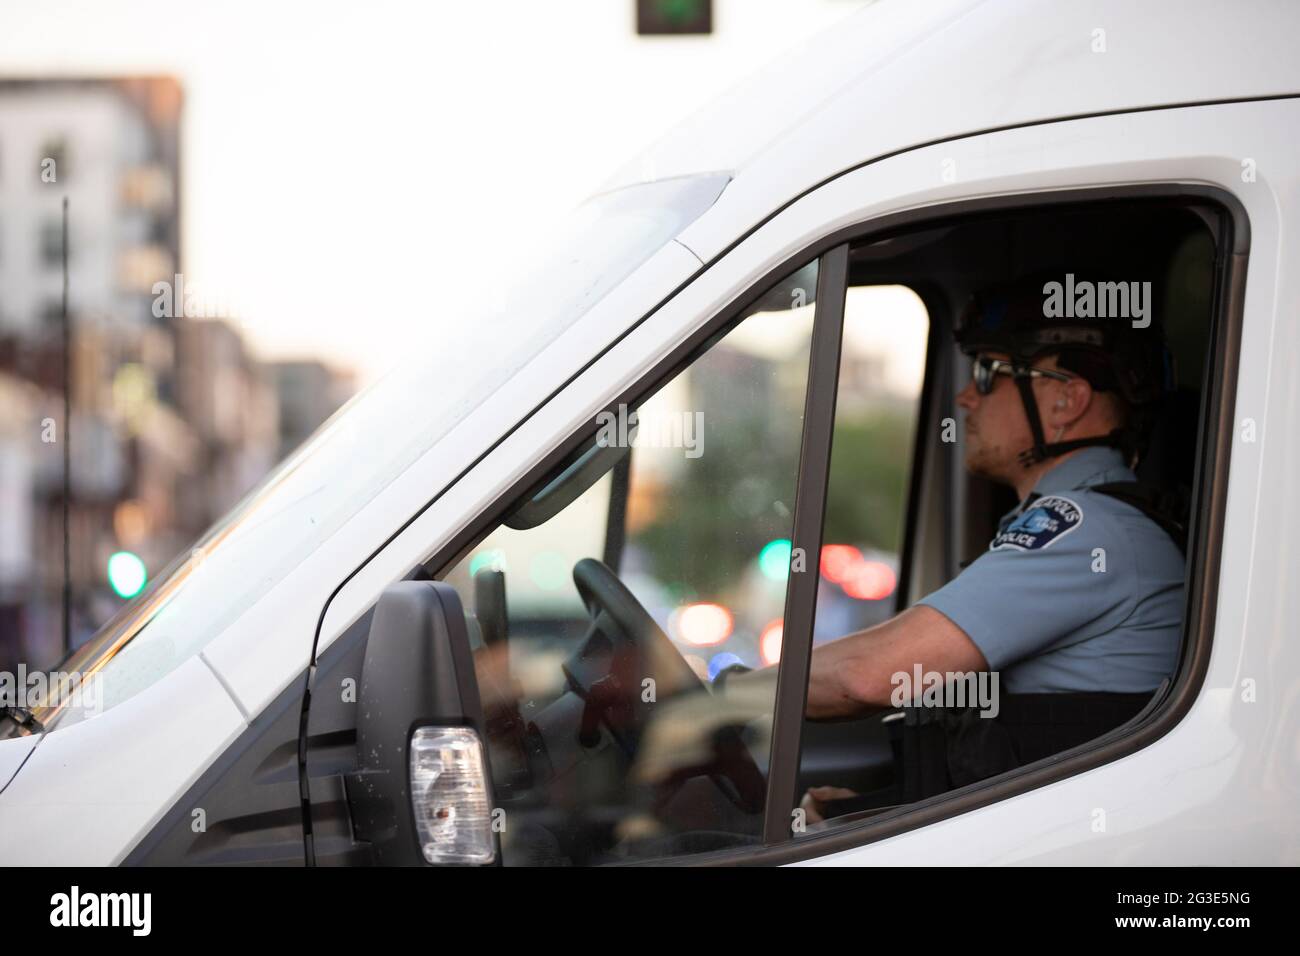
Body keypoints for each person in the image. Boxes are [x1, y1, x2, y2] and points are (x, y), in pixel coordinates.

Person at [795, 280, 1187, 822]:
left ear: (1066, 399)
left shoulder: (1086, 529)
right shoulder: (1090, 523)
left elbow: (866, 676)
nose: (964, 397)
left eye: (989, 372)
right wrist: (874, 808)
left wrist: (729, 697)